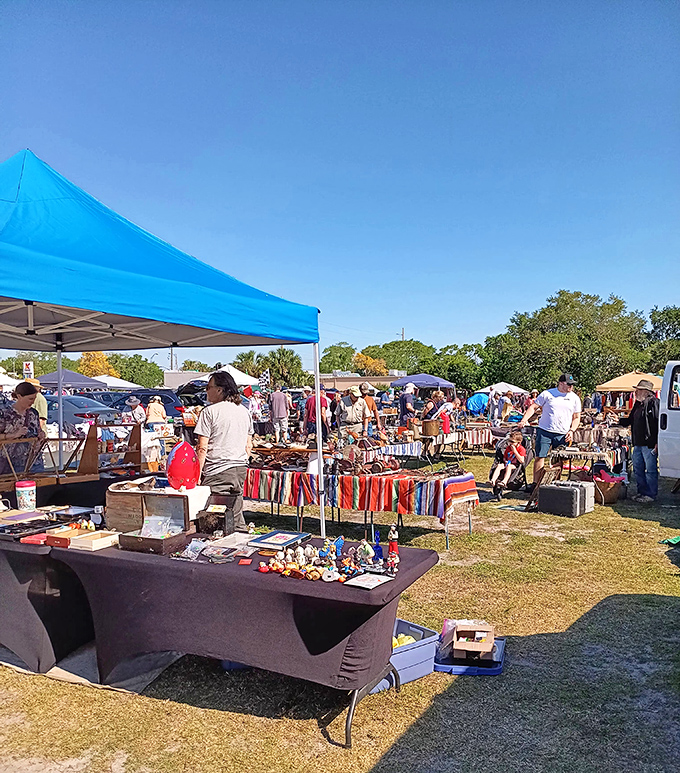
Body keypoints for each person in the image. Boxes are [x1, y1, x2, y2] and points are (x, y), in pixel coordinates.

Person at [195, 371, 253, 532]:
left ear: (220, 390)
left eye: (208, 387)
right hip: (240, 467)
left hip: (218, 470)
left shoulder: (209, 412)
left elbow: (202, 448)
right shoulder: (244, 411)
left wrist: (197, 474)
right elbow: (249, 445)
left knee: (214, 519)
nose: (206, 391)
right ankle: (240, 540)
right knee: (235, 510)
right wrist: (241, 460)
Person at [519, 374, 582, 483]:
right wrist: (524, 420)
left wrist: (572, 430)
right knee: (540, 457)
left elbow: (576, 418)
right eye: (569, 384)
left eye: (572, 385)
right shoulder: (547, 394)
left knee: (559, 459)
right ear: (561, 383)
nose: (571, 387)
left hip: (563, 434)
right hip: (545, 431)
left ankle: (555, 483)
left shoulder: (575, 398)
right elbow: (533, 407)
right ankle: (536, 484)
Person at [618, 379, 659, 503]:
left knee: (650, 470)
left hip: (649, 443)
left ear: (646, 392)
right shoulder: (637, 404)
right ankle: (641, 492)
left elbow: (658, 423)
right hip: (637, 443)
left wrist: (657, 442)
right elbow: (630, 420)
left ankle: (650, 494)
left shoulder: (654, 403)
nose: (636, 392)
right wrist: (618, 420)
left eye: (639, 390)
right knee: (637, 469)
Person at [0, 382, 45, 475]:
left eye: (34, 399)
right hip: (10, 463)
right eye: (30, 399)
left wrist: (41, 435)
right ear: (19, 396)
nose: (32, 402)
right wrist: (13, 435)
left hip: (33, 462)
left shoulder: (34, 413)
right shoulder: (4, 413)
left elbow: (38, 431)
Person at [490, 430, 526, 499]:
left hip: (515, 465)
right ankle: (493, 480)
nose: (510, 443)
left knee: (509, 466)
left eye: (512, 442)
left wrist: (515, 451)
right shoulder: (508, 448)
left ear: (518, 442)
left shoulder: (521, 449)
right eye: (509, 441)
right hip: (507, 463)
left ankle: (504, 482)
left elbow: (521, 460)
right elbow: (505, 457)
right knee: (499, 465)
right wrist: (505, 461)